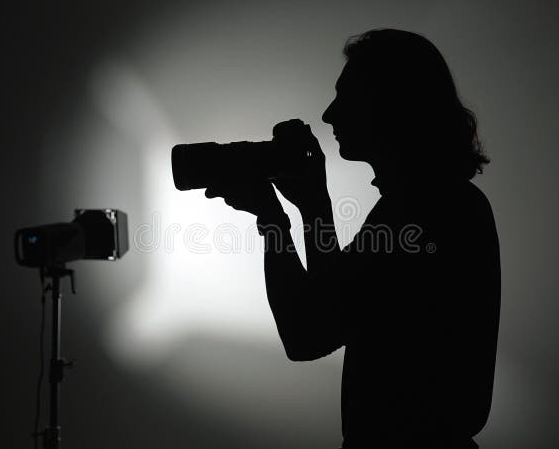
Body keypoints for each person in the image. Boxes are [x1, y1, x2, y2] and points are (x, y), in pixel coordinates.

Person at [205, 28, 501, 449]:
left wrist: (272, 218)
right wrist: (313, 206)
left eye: (346, 97)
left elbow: (307, 331)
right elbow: (331, 305)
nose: (329, 115)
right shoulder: (442, 204)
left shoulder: (416, 213)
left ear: (389, 105)